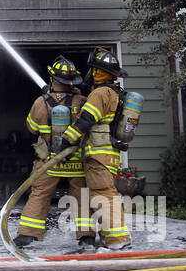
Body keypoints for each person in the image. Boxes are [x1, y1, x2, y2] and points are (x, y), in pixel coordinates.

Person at [55, 46, 132, 251]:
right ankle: (110, 237)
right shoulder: (115, 92)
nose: (92, 74)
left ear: (98, 72)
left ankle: (118, 240)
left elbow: (86, 120)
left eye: (94, 70)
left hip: (98, 155)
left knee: (103, 195)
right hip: (110, 154)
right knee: (104, 193)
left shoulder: (99, 94)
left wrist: (67, 140)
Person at [13, 56, 94, 248]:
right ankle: (87, 236)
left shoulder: (41, 102)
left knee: (40, 194)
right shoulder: (82, 101)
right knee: (82, 196)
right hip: (76, 161)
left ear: (52, 80)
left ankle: (27, 235)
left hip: (50, 161)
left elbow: (32, 128)